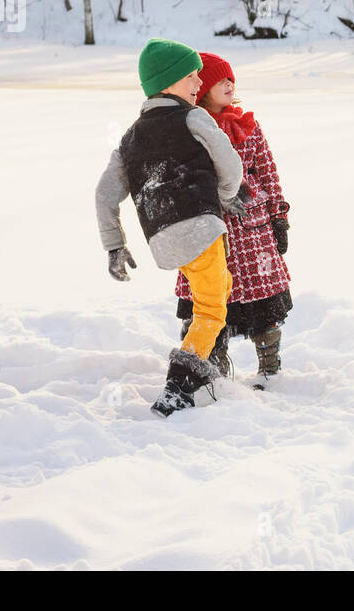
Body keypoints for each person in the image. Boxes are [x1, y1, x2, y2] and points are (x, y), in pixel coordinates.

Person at [95, 39, 244, 417]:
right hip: (202, 226)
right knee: (212, 310)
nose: (198, 83)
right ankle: (178, 388)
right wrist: (225, 194)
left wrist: (115, 245)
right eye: (190, 76)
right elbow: (228, 161)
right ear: (168, 83)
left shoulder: (129, 138)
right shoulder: (194, 118)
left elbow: (104, 194)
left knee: (218, 287)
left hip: (163, 237)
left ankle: (204, 361)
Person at [174, 53, 292, 385]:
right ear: (201, 87)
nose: (230, 85)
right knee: (212, 297)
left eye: (231, 80)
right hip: (211, 228)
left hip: (253, 232)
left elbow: (268, 174)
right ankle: (213, 366)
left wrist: (278, 217)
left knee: (263, 302)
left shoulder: (249, 126)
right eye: (220, 80)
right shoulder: (191, 126)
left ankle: (270, 366)